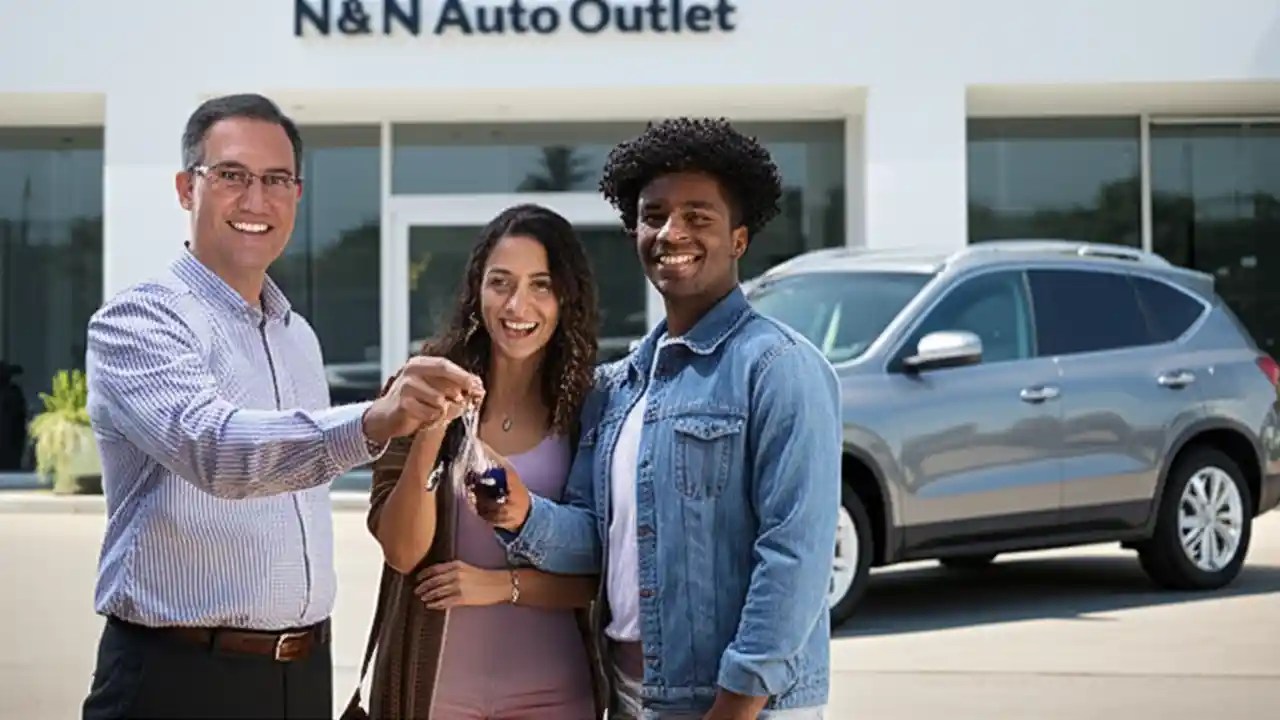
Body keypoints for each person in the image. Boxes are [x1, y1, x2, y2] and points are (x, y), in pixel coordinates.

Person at [80, 93, 482, 720]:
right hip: (179, 678)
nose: (255, 201)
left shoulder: (296, 335)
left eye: (275, 180)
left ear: (297, 195)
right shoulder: (140, 320)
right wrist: (374, 419)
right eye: (232, 176)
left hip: (301, 674)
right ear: (187, 189)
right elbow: (214, 449)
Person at [474, 118, 842, 719]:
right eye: (654, 215)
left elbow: (794, 558)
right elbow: (601, 541)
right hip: (628, 698)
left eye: (698, 216)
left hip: (742, 706)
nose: (672, 232)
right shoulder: (617, 387)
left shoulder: (779, 367)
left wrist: (736, 704)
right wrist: (522, 513)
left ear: (739, 239)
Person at [355, 204, 607, 719]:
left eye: (541, 284)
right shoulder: (421, 385)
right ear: (477, 290)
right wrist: (431, 431)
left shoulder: (592, 409)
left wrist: (497, 586)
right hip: (436, 691)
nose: (518, 304)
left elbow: (604, 572)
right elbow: (402, 552)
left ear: (566, 298)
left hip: (556, 694)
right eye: (501, 282)